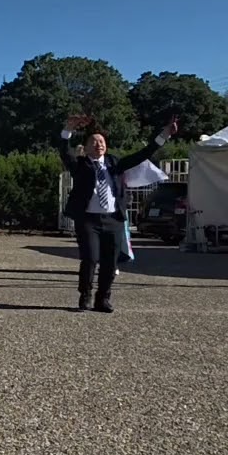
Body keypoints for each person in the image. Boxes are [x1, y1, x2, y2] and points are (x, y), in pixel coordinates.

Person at [59, 115, 178, 312]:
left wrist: (164, 135)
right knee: (90, 258)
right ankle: (85, 296)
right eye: (94, 142)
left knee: (110, 261)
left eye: (102, 142)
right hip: (89, 220)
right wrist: (67, 130)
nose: (99, 145)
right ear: (86, 147)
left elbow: (142, 154)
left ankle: (103, 298)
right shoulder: (80, 165)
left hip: (112, 218)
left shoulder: (114, 163)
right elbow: (64, 151)